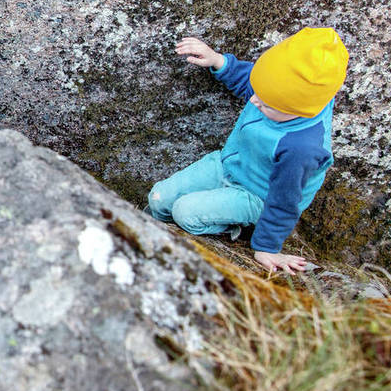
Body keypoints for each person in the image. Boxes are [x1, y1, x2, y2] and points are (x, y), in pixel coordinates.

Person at [147, 28, 349, 275]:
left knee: (184, 213)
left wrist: (267, 248)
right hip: (229, 163)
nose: (254, 100)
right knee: (158, 198)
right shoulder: (289, 90)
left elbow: (285, 200)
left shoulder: (302, 149)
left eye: (265, 103)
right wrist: (219, 62)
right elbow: (254, 82)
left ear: (297, 110)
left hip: (256, 195)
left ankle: (233, 226)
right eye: (258, 91)